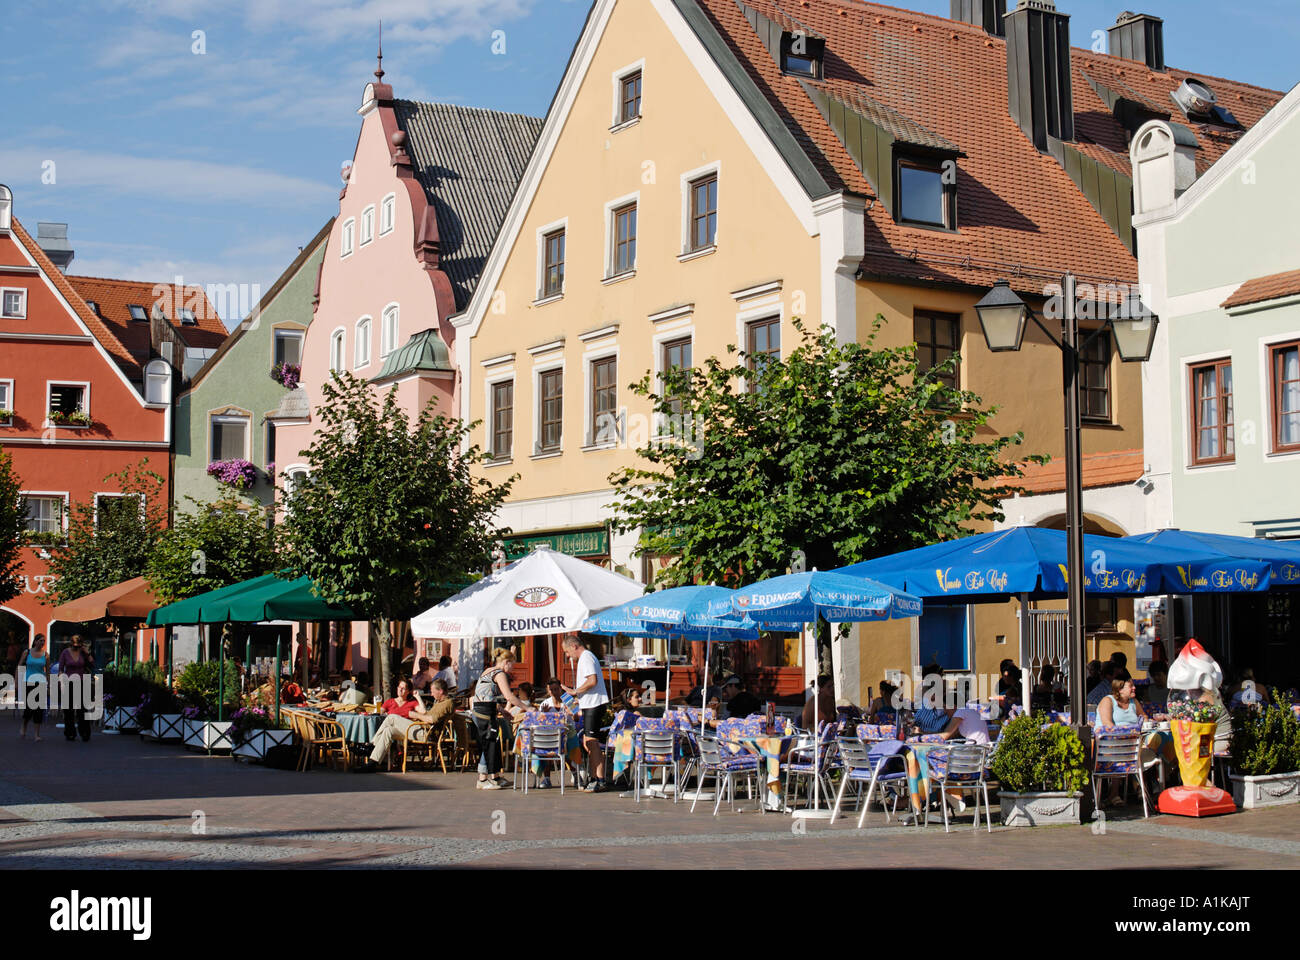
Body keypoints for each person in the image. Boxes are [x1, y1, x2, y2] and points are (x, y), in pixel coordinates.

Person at [1096, 675, 1170, 806]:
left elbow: (1144, 717)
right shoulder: (1107, 701)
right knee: (1125, 749)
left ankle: (1154, 789)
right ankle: (1124, 792)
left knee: (1157, 742)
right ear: (1119, 689)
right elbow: (1108, 725)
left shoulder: (1133, 702)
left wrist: (1148, 722)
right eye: (1131, 686)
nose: (1134, 688)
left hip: (1133, 744)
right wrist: (1128, 734)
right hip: (1109, 745)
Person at [472, 648, 530, 789]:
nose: (513, 668)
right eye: (512, 665)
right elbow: (509, 696)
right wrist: (528, 708)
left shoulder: (488, 671)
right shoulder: (499, 674)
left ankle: (495, 777)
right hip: (484, 713)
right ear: (506, 662)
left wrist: (502, 710)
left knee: (494, 742)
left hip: (483, 710)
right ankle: (483, 779)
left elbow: (486, 695)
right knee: (490, 743)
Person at [561, 635, 610, 793]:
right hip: (590, 704)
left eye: (567, 651)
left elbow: (592, 681)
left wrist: (575, 692)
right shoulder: (586, 658)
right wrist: (578, 700)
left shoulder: (586, 658)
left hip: (595, 705)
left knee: (591, 742)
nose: (568, 656)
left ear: (574, 646)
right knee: (588, 742)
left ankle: (599, 779)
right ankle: (595, 777)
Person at [368, 678, 453, 766]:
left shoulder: (447, 703)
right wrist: (419, 717)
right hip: (421, 729)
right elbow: (429, 716)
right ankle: (374, 762)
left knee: (392, 717)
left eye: (433, 691)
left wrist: (416, 715)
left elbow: (432, 719)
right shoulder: (440, 703)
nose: (431, 694)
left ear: (441, 691)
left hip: (426, 733)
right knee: (388, 730)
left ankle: (372, 745)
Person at [57, 634, 94, 742]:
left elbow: (92, 663)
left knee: (82, 709)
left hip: (82, 682)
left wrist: (87, 652)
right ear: (71, 644)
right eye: (74, 645)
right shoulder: (65, 653)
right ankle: (70, 733)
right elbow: (60, 669)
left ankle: (85, 733)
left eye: (78, 646)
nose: (76, 647)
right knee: (68, 710)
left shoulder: (83, 653)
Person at [19, 635, 48, 742]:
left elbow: (47, 670)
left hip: (41, 683)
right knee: (29, 708)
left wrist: (48, 684)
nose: (42, 642)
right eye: (40, 640)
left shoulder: (45, 655)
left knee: (39, 710)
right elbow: (19, 666)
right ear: (35, 641)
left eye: (44, 641)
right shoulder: (27, 652)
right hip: (29, 682)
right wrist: (17, 682)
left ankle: (36, 734)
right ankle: (24, 725)